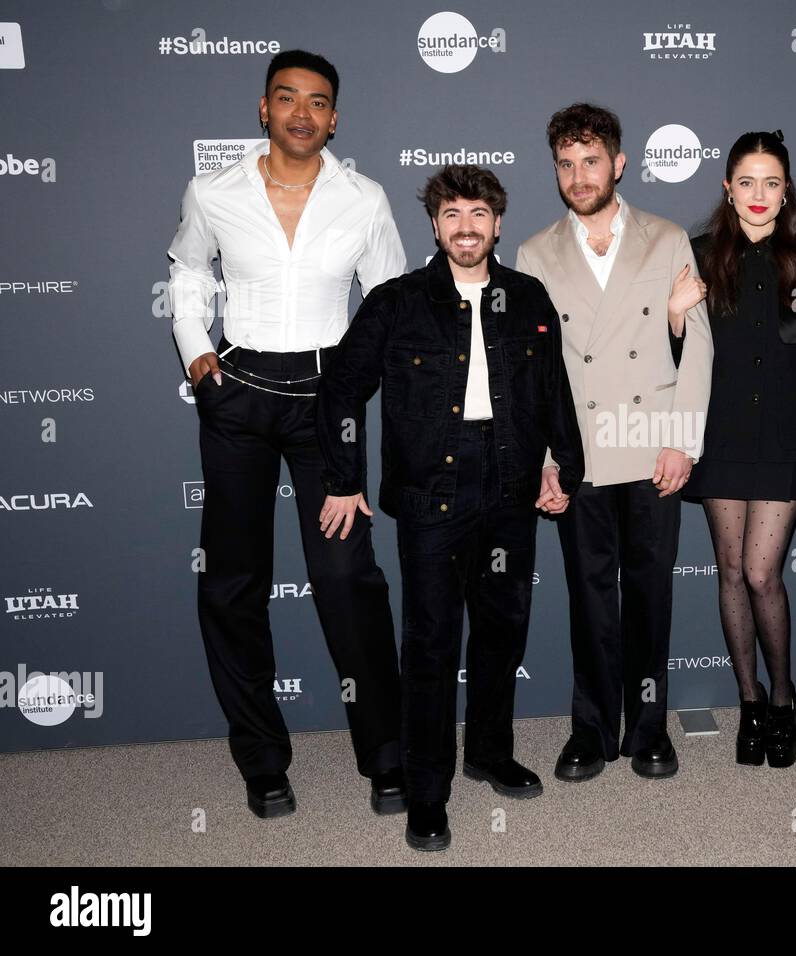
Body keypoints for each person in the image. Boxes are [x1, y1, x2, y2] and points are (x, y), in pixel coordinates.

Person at [166, 50, 406, 819]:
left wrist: (360, 385)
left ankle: (386, 754)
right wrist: (197, 352)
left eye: (319, 102)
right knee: (233, 583)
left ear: (335, 118)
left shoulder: (363, 198)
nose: (303, 113)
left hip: (327, 405)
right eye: (288, 98)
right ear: (264, 109)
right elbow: (187, 270)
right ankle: (262, 760)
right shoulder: (214, 191)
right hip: (237, 397)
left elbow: (390, 303)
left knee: (346, 578)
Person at [317, 165, 584, 851]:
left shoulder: (527, 297)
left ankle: (489, 752)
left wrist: (562, 465)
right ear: (434, 226)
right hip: (433, 495)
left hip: (510, 485)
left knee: (502, 631)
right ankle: (426, 791)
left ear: (498, 223)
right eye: (452, 215)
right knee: (432, 645)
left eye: (479, 215)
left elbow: (553, 392)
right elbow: (342, 390)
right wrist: (344, 478)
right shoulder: (398, 301)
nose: (467, 228)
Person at [515, 103, 712, 782]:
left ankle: (650, 728)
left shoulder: (667, 239)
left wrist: (682, 439)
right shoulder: (535, 253)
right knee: (591, 595)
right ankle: (592, 729)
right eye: (566, 164)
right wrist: (547, 461)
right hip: (583, 451)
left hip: (653, 441)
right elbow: (535, 375)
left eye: (591, 160)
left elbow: (699, 346)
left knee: (651, 594)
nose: (579, 175)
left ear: (618, 164)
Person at [686, 130, 796, 768]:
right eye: (747, 182)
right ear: (728, 188)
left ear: (788, 191)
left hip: (787, 433)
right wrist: (676, 318)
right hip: (720, 433)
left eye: (773, 183)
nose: (760, 196)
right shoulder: (700, 256)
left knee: (761, 573)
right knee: (730, 572)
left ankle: (784, 699)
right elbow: (675, 362)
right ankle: (750, 702)